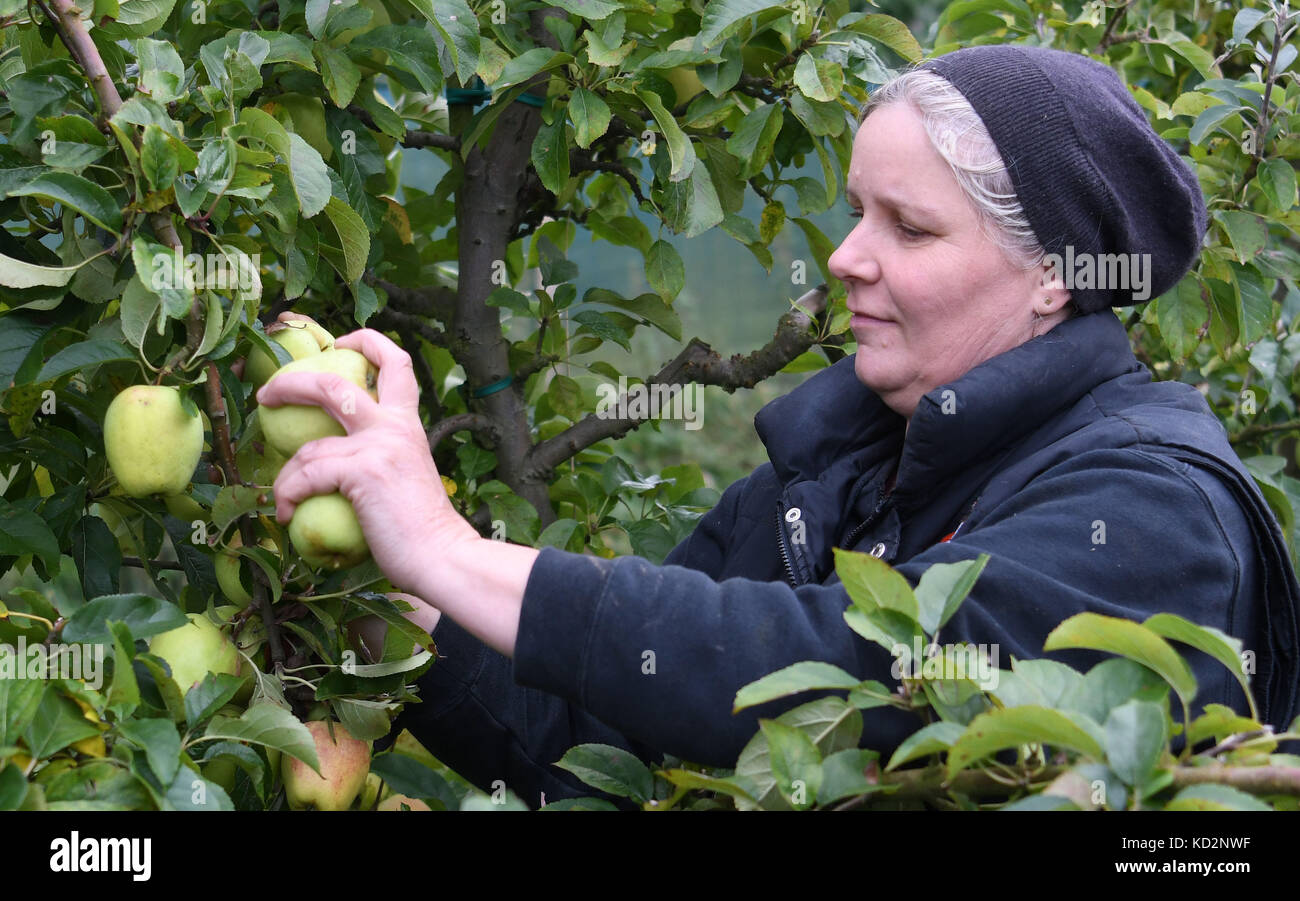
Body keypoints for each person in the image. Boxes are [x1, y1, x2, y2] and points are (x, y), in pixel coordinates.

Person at [257, 44, 1300, 806]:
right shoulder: (840, 469)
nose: (846, 256)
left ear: (1053, 279)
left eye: (909, 225)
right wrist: (398, 582)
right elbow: (594, 747)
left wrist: (449, 545)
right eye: (857, 210)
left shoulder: (1157, 514)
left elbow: (855, 675)